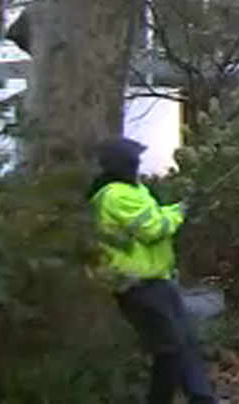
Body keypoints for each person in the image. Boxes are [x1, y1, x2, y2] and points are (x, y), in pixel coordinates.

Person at [88, 137, 215, 404]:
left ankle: (201, 397)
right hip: (134, 284)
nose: (138, 164)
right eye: (134, 160)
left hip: (156, 280)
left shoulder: (133, 190)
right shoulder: (115, 195)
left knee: (184, 341)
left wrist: (181, 207)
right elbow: (153, 229)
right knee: (170, 347)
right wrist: (180, 213)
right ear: (123, 164)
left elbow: (154, 214)